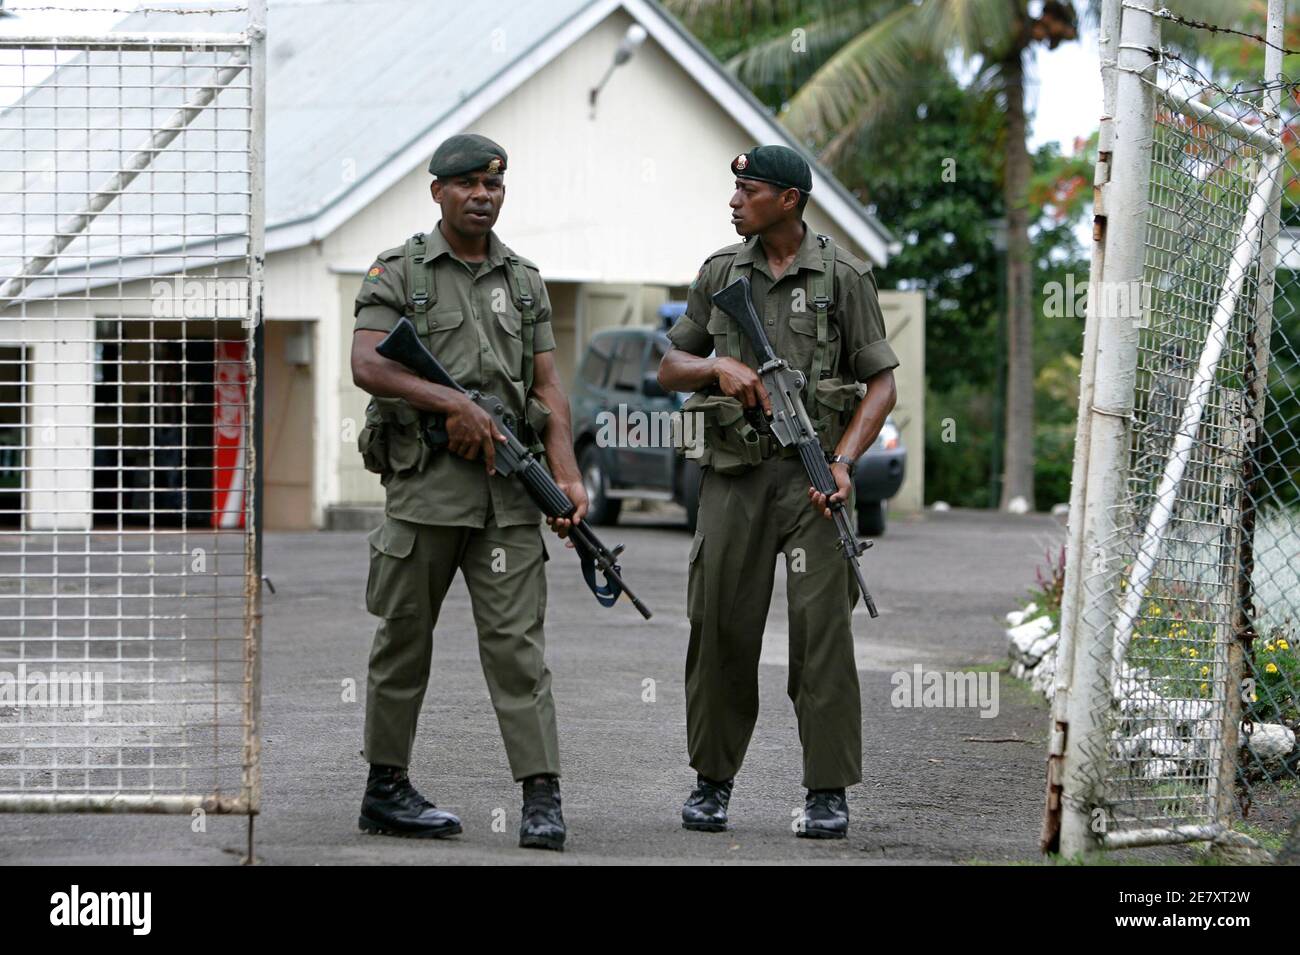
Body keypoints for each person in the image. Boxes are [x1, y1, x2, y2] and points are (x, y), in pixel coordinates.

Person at [349, 133, 587, 851]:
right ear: (438, 193)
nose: (482, 196)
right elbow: (367, 363)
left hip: (509, 496)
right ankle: (385, 789)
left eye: (494, 185)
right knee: (402, 641)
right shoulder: (399, 272)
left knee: (518, 648)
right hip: (426, 491)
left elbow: (547, 386)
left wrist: (567, 472)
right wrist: (449, 404)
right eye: (467, 185)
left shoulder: (524, 280)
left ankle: (541, 797)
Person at [657, 145, 899, 839]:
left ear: (788, 200)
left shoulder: (843, 276)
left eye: (749, 190)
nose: (734, 201)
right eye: (734, 189)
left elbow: (880, 381)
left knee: (820, 636)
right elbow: (671, 364)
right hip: (734, 478)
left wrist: (847, 460)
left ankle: (826, 791)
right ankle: (712, 782)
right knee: (719, 629)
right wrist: (716, 366)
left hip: (815, 482)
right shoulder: (718, 273)